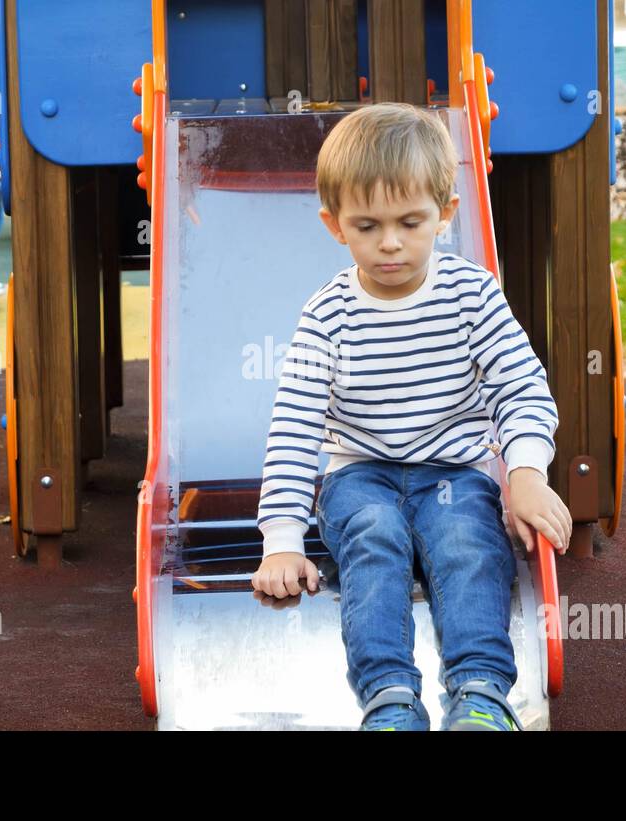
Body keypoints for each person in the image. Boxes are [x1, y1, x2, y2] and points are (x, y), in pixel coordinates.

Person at [251, 103, 573, 731]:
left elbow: (520, 385)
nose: (391, 242)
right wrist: (282, 542)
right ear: (334, 225)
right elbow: (294, 427)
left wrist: (526, 470)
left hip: (454, 471)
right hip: (360, 474)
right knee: (373, 536)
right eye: (367, 225)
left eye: (410, 221)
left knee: (467, 542)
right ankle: (389, 697)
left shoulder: (472, 294)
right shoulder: (327, 315)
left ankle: (480, 693)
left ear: (445, 215)